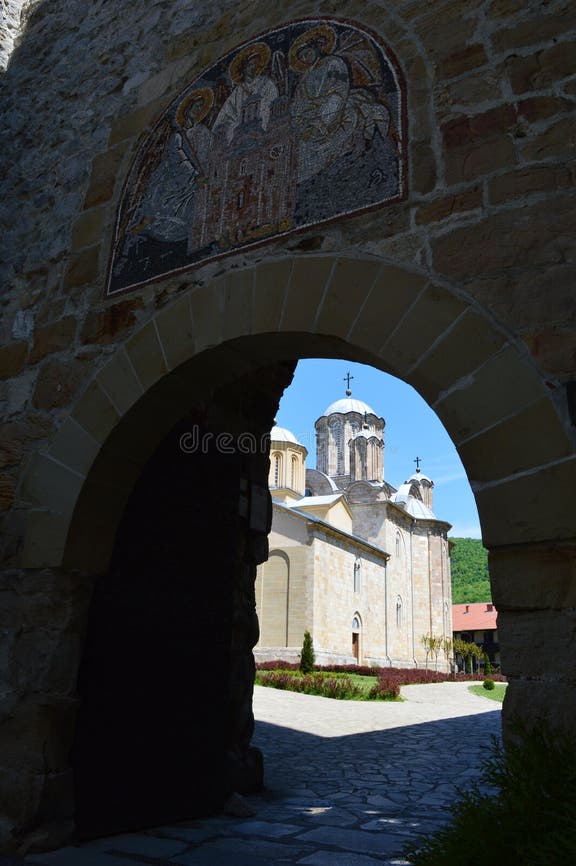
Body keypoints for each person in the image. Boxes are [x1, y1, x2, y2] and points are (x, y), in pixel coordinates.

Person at [212, 42, 278, 146]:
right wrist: (226, 127)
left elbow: (272, 101)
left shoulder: (265, 83)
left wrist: (258, 107)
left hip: (260, 124)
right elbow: (226, 114)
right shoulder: (237, 92)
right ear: (243, 69)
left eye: (256, 64)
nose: (253, 68)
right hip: (240, 132)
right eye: (250, 65)